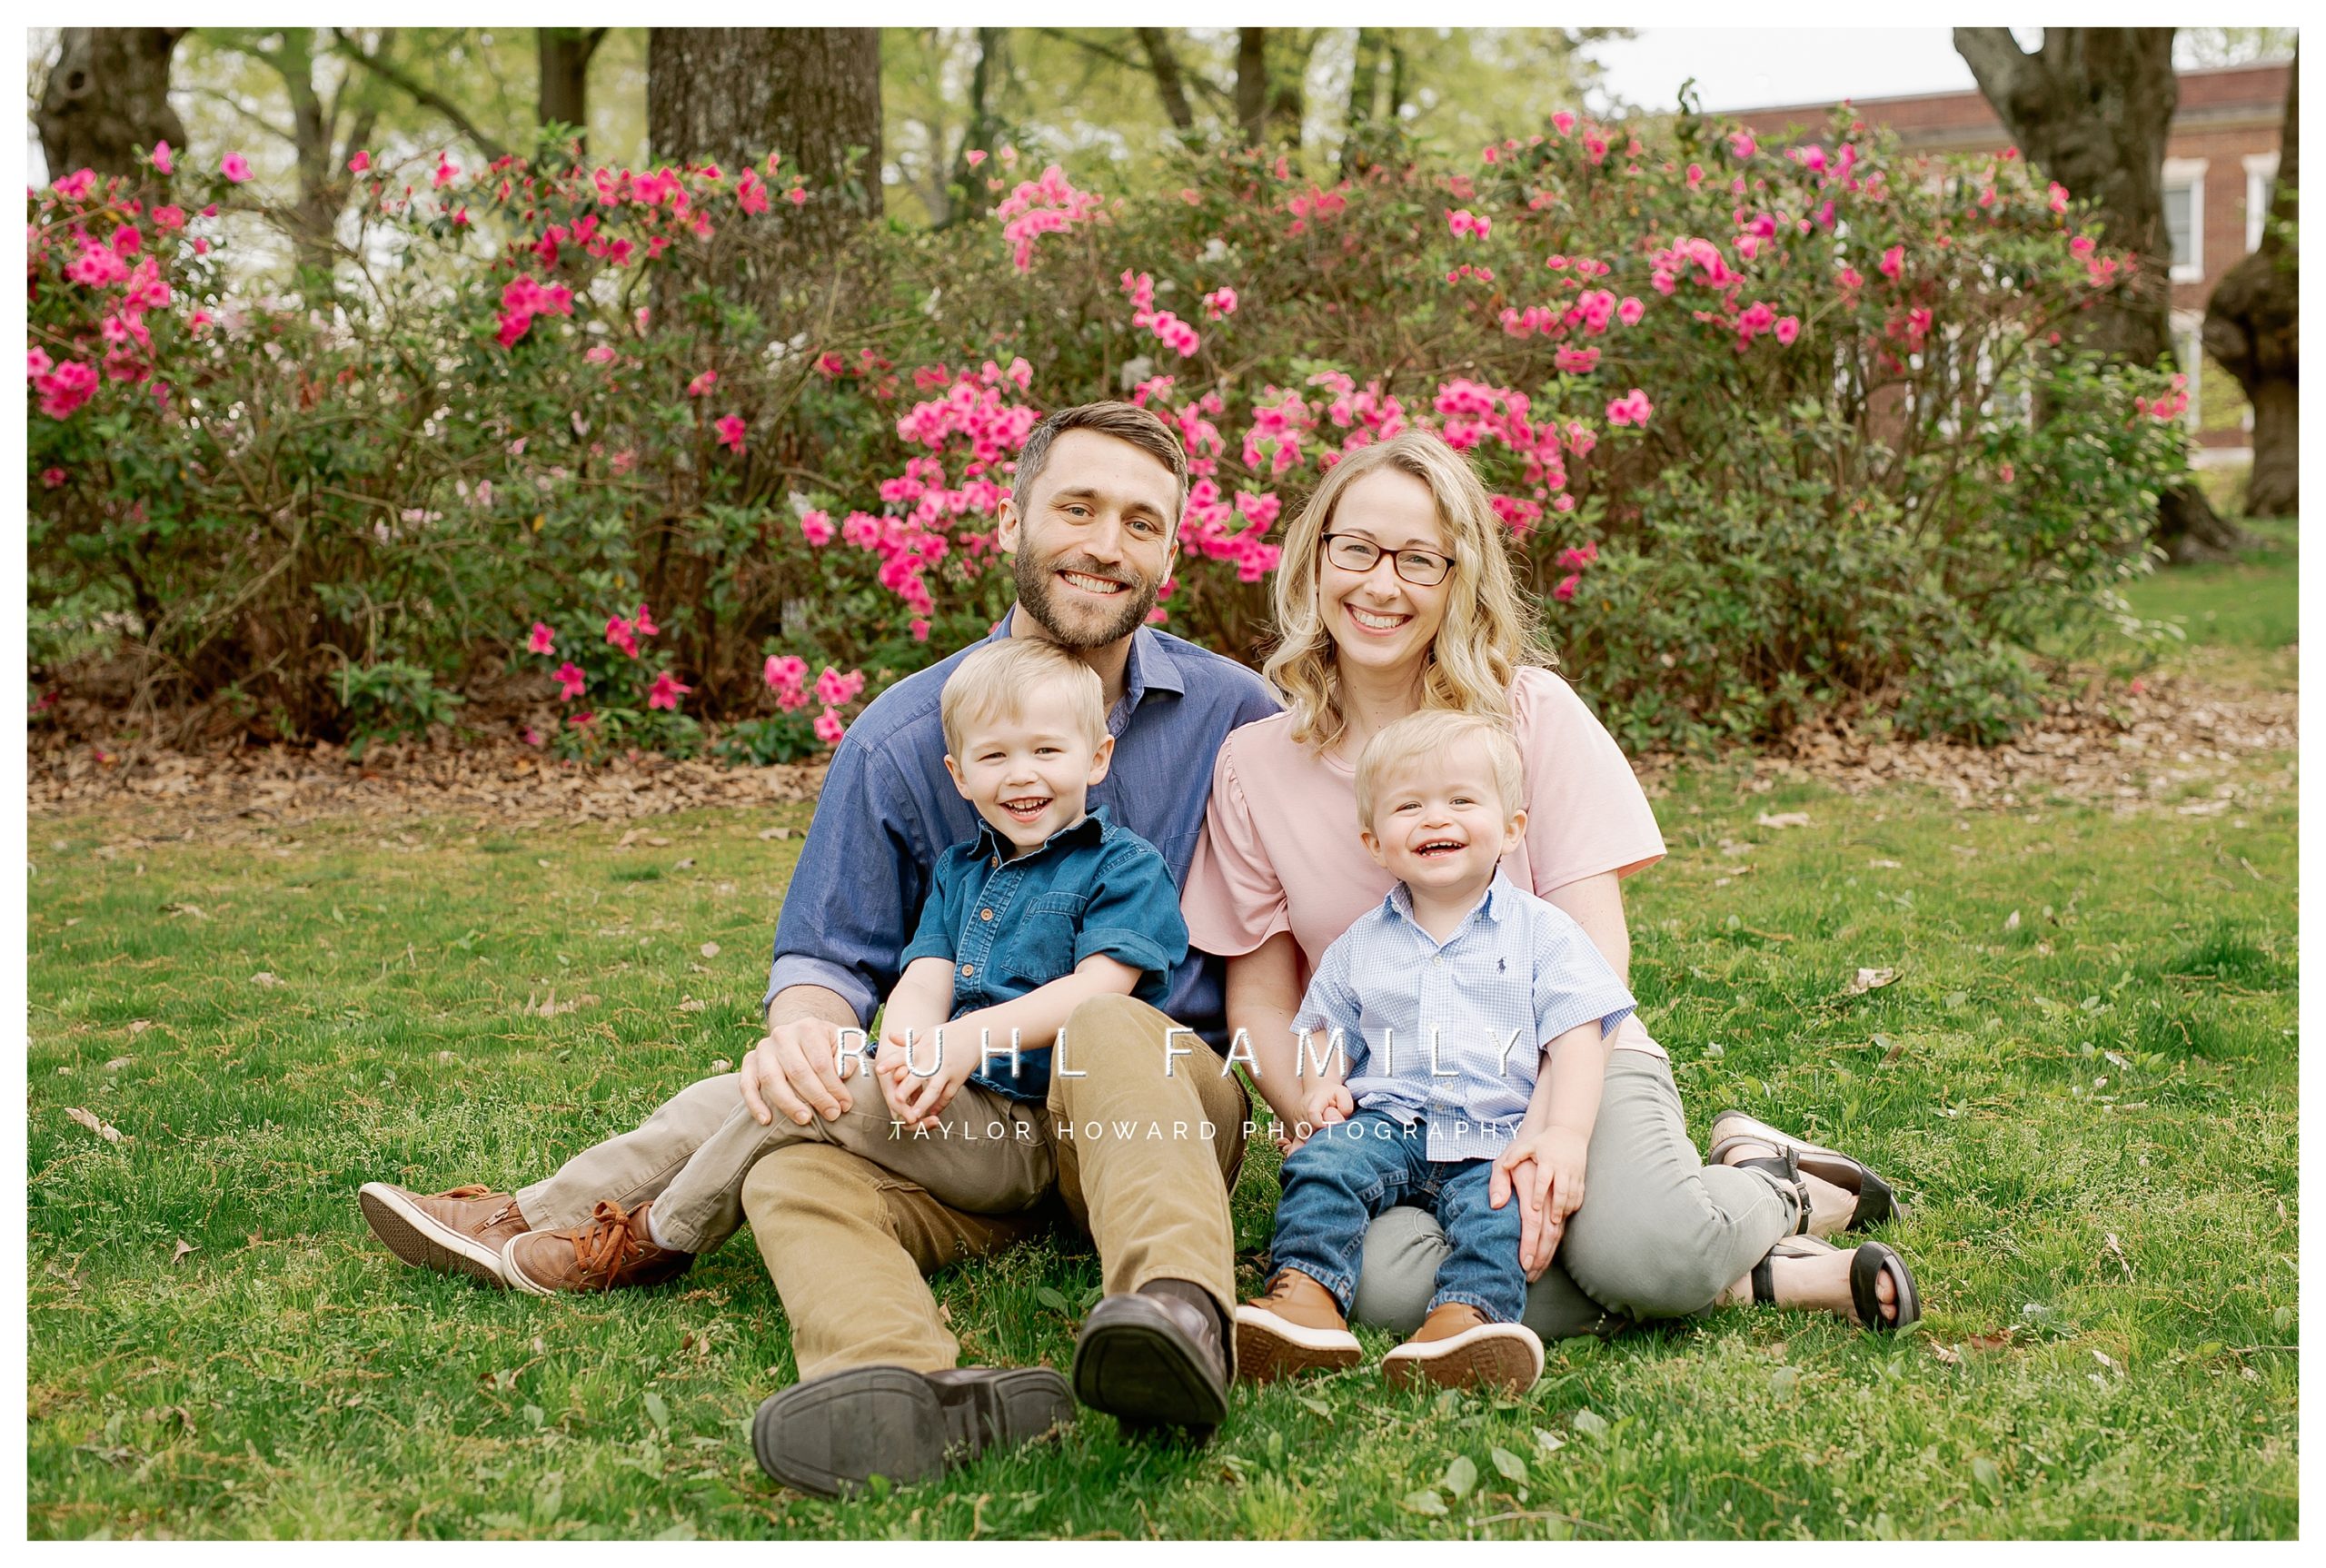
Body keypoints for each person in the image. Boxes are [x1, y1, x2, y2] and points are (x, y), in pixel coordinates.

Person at [356, 402, 1279, 1494]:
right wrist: (820, 1045)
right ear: (1010, 520)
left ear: (1170, 552)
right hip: (965, 1132)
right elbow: (833, 960)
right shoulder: (906, 736)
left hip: (1147, 1121)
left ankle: (1177, 1314)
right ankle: (898, 1384)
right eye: (1076, 508)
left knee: (1115, 1026)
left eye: (1141, 522)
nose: (1106, 544)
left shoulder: (1239, 716)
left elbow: (1340, 866)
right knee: (792, 1165)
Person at [1181, 429, 1920, 1344]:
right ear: (1315, 557)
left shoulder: (1530, 714)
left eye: (1418, 559)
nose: (1381, 584)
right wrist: (1311, 1108)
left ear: (1459, 577)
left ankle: (1776, 1184)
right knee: (1377, 1286)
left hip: (1569, 1062)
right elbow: (1261, 994)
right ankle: (1747, 1273)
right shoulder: (1255, 763)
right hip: (1401, 1108)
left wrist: (1549, 1127)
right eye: (1357, 549)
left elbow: (1594, 959)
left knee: (1650, 1255)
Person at [1235, 710, 1636, 1394]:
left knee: (1501, 1211)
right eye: (1408, 806)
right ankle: (1304, 1296)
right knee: (1324, 1165)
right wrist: (1321, 1087)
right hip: (1388, 1123)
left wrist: (1564, 1136)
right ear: (1374, 842)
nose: (1435, 818)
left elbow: (1577, 1038)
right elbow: (1328, 1027)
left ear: (1512, 828)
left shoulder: (1545, 934)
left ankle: (1466, 1322)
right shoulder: (1361, 943)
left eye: (1461, 801)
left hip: (1497, 1133)